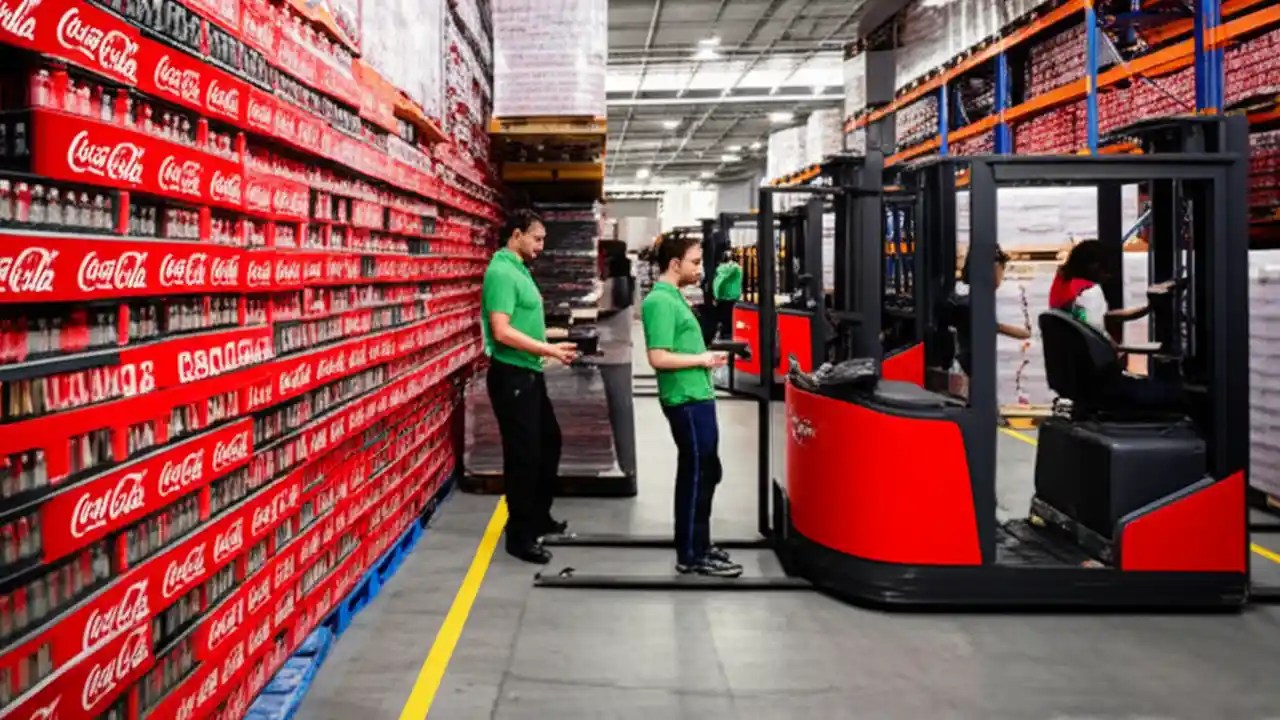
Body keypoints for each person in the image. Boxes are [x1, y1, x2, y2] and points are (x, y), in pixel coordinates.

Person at [482, 209, 580, 564]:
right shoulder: (501, 273)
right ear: (517, 235)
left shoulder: (519, 269)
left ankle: (538, 516)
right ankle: (519, 537)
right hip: (512, 377)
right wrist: (548, 349)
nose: (541, 246)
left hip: (528, 373)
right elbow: (502, 331)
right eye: (536, 239)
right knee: (523, 457)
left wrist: (551, 342)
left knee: (549, 443)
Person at [641, 234, 743, 578]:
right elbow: (658, 357)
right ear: (675, 264)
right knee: (698, 474)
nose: (700, 269)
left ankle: (701, 543)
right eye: (695, 263)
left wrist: (707, 353)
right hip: (684, 399)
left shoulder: (677, 298)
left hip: (698, 394)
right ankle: (690, 553)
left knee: (708, 472)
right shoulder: (660, 302)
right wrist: (701, 359)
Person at [948, 245, 1032, 377]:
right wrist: (1026, 333)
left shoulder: (975, 300)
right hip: (972, 364)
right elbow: (999, 328)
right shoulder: (974, 305)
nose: (1002, 274)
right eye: (1001, 268)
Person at [1048, 239, 1155, 340]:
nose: (1109, 275)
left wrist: (1146, 309)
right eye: (1107, 268)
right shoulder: (1087, 291)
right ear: (1095, 266)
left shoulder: (1064, 282)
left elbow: (1094, 318)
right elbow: (1090, 330)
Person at [711, 249, 742, 341]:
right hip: (732, 298)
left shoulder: (719, 270)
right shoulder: (736, 268)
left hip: (722, 298)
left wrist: (716, 295)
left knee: (724, 320)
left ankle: (723, 335)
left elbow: (717, 283)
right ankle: (728, 336)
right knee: (730, 320)